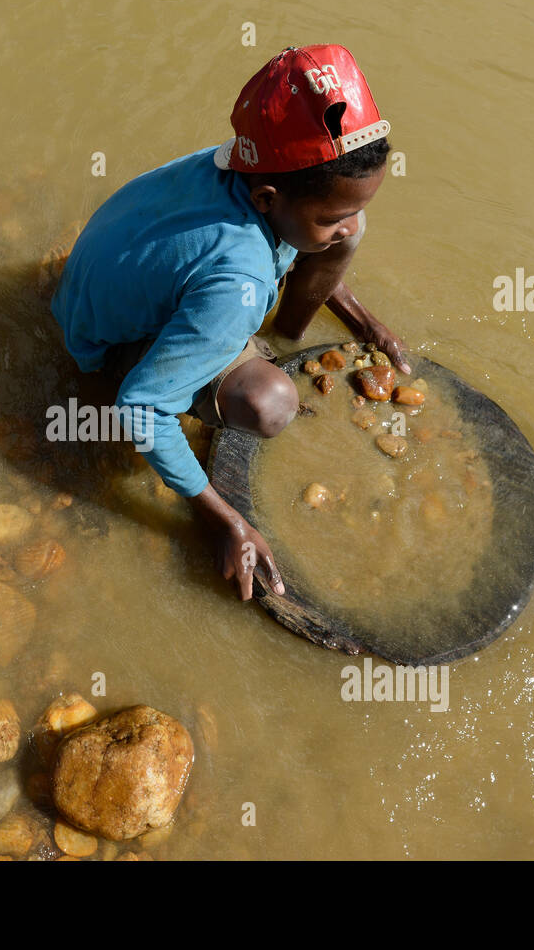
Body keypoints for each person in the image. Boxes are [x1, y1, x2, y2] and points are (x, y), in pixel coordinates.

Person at [49, 44, 409, 600]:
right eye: (333, 214)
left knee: (345, 237)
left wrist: (365, 322)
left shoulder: (244, 163)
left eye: (357, 205)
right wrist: (221, 519)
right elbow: (140, 408)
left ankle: (278, 334)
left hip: (111, 277)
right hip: (107, 341)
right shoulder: (234, 285)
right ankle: (247, 356)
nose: (350, 223)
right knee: (271, 402)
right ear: (267, 198)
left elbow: (294, 239)